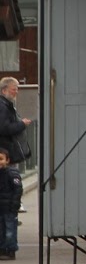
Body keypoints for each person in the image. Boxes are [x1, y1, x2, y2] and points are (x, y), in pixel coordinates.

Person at [0, 77, 28, 220]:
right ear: (4, 90)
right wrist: (21, 124)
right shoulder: (3, 107)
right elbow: (4, 128)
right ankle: (9, 215)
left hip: (7, 151)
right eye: (13, 89)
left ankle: (10, 214)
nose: (16, 92)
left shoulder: (6, 105)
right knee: (9, 182)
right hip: (5, 151)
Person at [0, 148, 18, 259]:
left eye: (1, 159)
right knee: (1, 230)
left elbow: (17, 190)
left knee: (10, 230)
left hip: (9, 208)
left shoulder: (12, 173)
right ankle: (2, 249)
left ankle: (11, 250)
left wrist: (14, 206)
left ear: (7, 160)